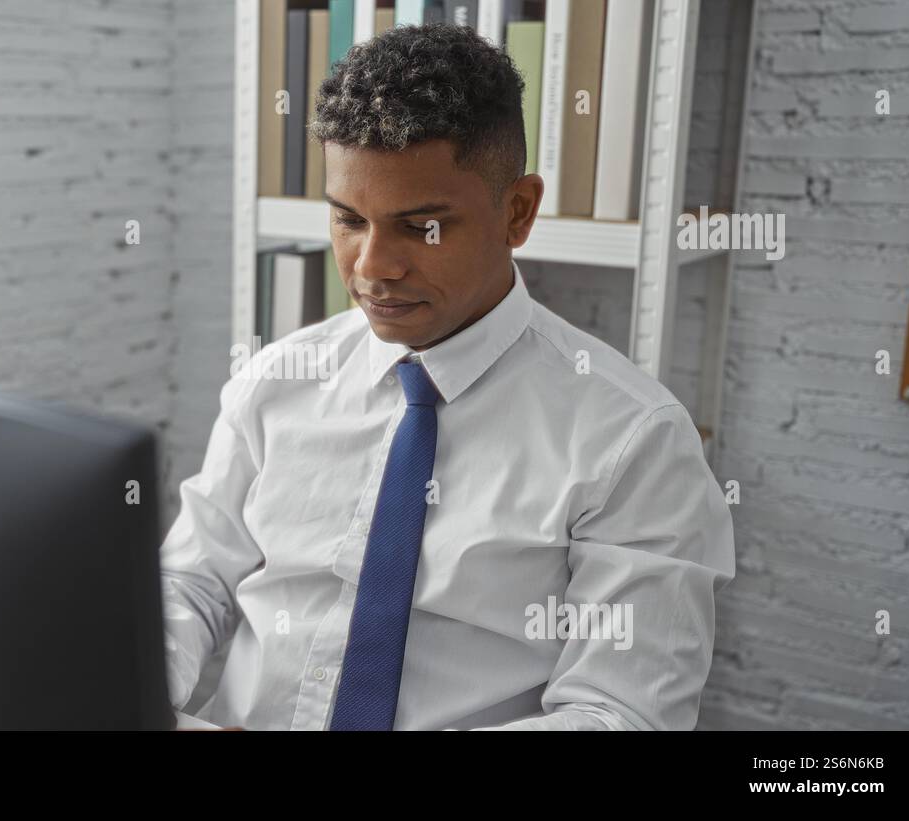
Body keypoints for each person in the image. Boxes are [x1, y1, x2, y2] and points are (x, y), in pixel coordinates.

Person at [161, 23, 734, 731]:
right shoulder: (276, 381)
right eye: (347, 219)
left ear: (517, 211)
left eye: (420, 227)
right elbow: (192, 579)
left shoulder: (634, 441)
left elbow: (620, 713)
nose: (372, 266)